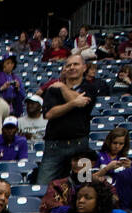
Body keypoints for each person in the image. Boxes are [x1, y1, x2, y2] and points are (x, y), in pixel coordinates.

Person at [40, 55, 97, 186]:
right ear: (64, 69)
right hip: (54, 146)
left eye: (75, 64)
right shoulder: (53, 89)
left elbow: (83, 103)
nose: (72, 67)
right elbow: (49, 114)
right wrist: (73, 103)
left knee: (84, 185)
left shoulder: (90, 88)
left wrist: (63, 88)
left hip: (80, 145)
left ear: (84, 67)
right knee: (43, 185)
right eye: (68, 65)